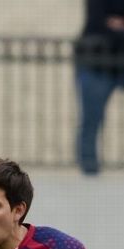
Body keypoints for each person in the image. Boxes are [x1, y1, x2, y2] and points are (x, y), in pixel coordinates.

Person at [74, 0, 124, 175]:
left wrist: (115, 24)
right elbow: (97, 23)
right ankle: (89, 168)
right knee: (91, 118)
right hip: (95, 63)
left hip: (111, 60)